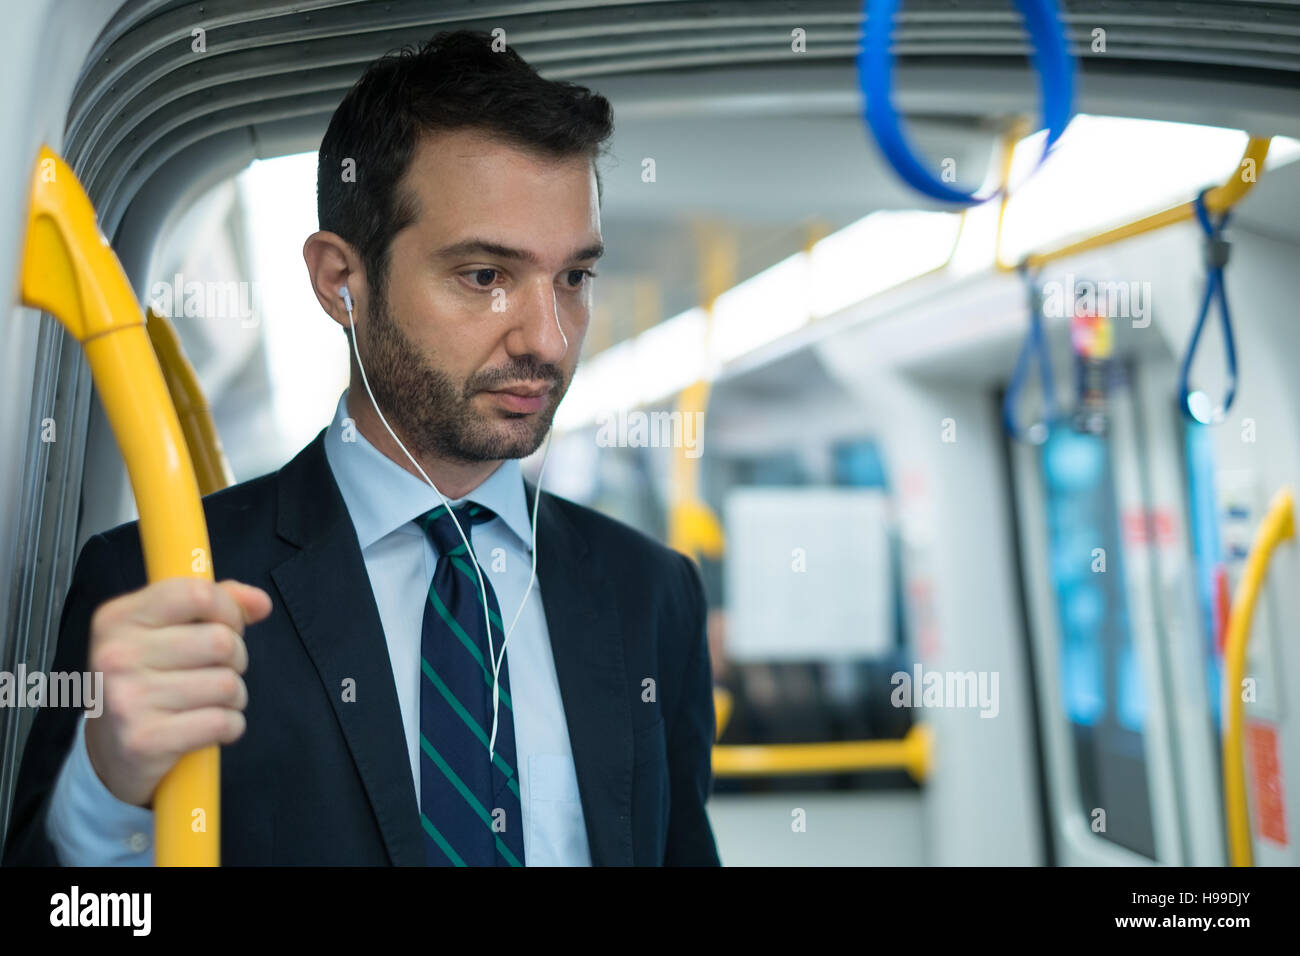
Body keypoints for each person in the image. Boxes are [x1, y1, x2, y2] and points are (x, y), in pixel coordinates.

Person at [3, 30, 720, 867]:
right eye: (485, 277)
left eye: (574, 279)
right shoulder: (164, 577)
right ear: (341, 281)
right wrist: (103, 794)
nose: (548, 340)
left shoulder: (649, 595)